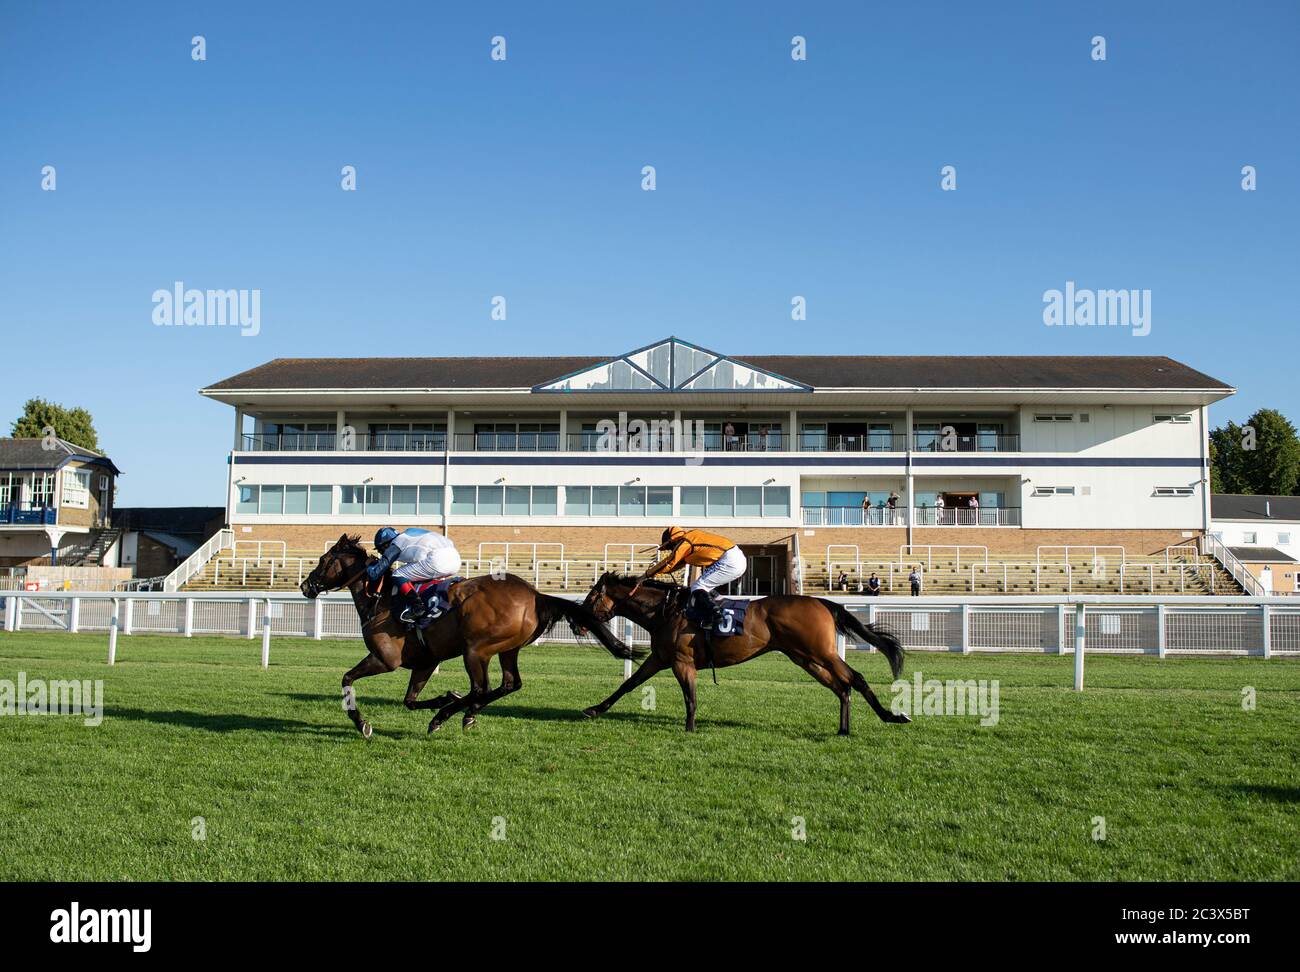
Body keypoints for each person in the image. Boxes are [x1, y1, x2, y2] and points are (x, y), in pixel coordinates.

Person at [641, 526, 747, 628]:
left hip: (730, 560)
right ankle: (720, 607)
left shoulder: (686, 541)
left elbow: (669, 562)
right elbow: (676, 564)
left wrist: (645, 575)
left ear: (673, 540)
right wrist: (656, 573)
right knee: (703, 589)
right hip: (734, 558)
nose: (671, 550)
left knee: (698, 586)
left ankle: (715, 616)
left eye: (670, 547)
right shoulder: (690, 540)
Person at [366, 527, 462, 624]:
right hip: (455, 558)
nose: (381, 553)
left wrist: (369, 565)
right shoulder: (409, 535)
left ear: (386, 544)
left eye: (380, 550)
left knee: (397, 574)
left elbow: (375, 574)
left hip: (438, 559)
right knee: (412, 571)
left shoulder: (395, 544)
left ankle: (417, 605)